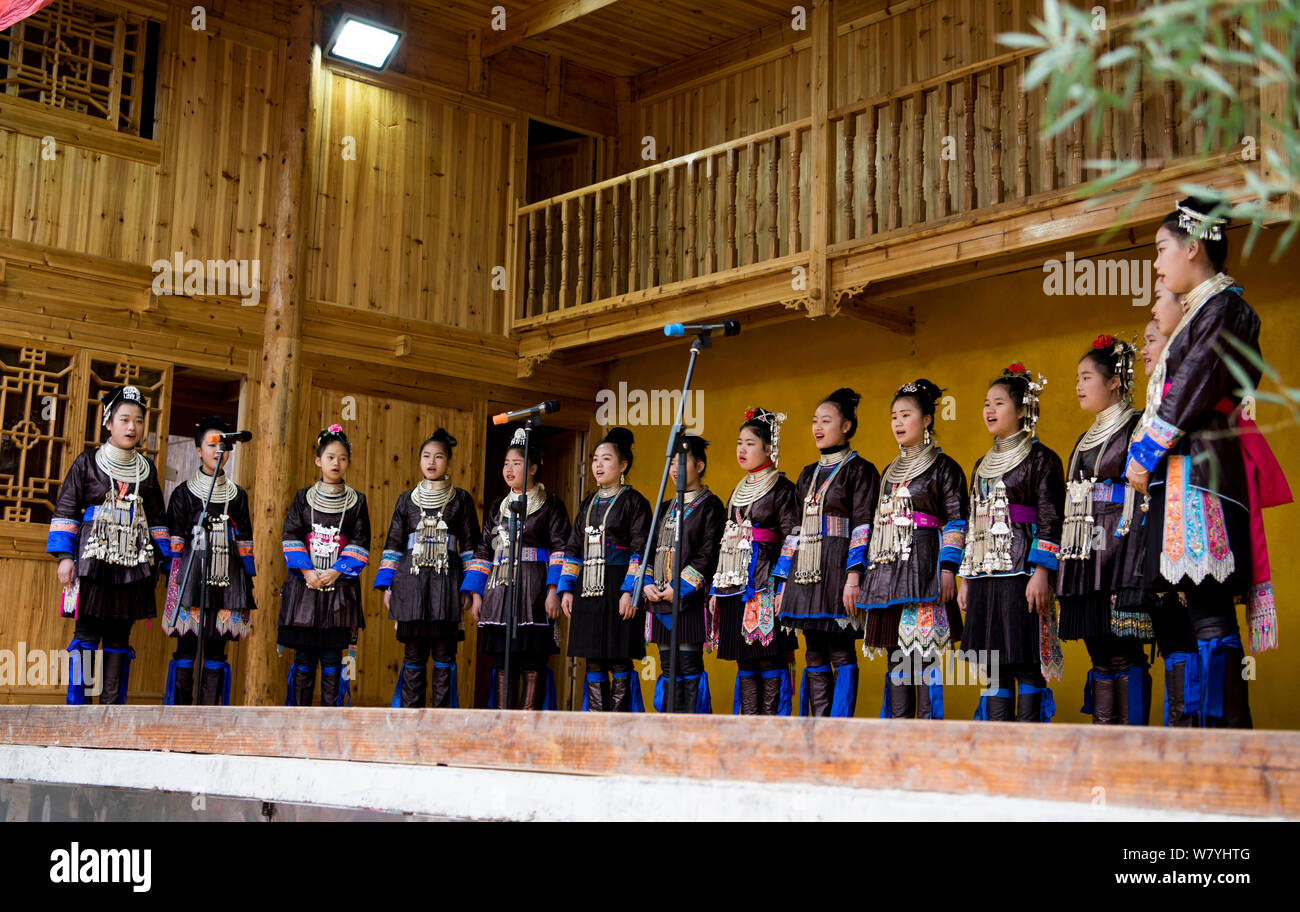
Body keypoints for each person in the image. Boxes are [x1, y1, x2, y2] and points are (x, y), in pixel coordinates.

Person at [1127, 197, 1289, 727]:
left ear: (1193, 247)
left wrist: (1146, 450)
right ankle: (1204, 737)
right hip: (1189, 472)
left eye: (1161, 249)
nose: (1156, 263)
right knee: (1200, 609)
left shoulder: (1226, 309)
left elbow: (1193, 384)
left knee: (1211, 609)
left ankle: (1226, 743)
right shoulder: (1204, 309)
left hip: (1203, 473)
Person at [48, 385, 172, 704]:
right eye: (124, 419)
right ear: (108, 423)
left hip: (132, 565)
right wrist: (65, 556)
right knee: (87, 634)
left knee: (119, 637)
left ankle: (111, 715)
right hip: (93, 563)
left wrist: (164, 562)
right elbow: (66, 508)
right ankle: (78, 713)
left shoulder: (146, 471)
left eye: (139, 421)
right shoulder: (87, 463)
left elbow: (157, 518)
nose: (132, 427)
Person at [958, 364, 1066, 722]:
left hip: (1022, 572)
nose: (989, 410)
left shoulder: (1042, 458)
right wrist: (965, 578)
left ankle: (1030, 747)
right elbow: (974, 523)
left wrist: (1041, 572)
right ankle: (998, 748)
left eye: (999, 403)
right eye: (986, 403)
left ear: (1022, 409)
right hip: (984, 573)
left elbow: (1051, 518)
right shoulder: (980, 465)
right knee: (993, 665)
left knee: (1026, 662)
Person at [859, 379, 967, 719]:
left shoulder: (944, 467)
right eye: (894, 416)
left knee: (923, 658)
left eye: (906, 415)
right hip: (888, 575)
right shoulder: (887, 473)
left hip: (924, 573)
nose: (898, 423)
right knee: (895, 660)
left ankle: (927, 741)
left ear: (927, 420)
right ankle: (897, 742)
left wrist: (947, 568)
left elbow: (956, 521)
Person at [1057, 337, 1149, 724]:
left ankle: (1133, 748)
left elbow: (1145, 490)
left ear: (1114, 382)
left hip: (1121, 547)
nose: (1079, 386)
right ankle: (1105, 741)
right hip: (1085, 552)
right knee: (1098, 651)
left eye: (1087, 377)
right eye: (1077, 378)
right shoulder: (1083, 439)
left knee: (1122, 650)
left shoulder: (1138, 424)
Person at [774, 388, 880, 717]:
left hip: (838, 571)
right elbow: (794, 530)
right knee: (814, 652)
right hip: (805, 571)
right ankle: (817, 730)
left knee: (841, 648)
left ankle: (841, 728)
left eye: (826, 420)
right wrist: (782, 582)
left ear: (846, 426)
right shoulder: (806, 474)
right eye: (815, 421)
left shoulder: (860, 470)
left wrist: (854, 577)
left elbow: (864, 525)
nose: (818, 427)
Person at [462, 431, 571, 710]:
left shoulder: (551, 505)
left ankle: (529, 726)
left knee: (532, 659)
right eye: (506, 463)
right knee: (502, 660)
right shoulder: (498, 507)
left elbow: (561, 548)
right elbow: (484, 550)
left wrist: (553, 592)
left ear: (533, 468)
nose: (509, 469)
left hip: (535, 590)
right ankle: (502, 726)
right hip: (499, 591)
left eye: (517, 463)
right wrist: (476, 595)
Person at [375, 429, 480, 708]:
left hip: (447, 585)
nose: (431, 462)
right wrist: (387, 586)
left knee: (445, 655)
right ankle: (410, 724)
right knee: (413, 654)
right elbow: (393, 546)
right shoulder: (406, 499)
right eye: (426, 456)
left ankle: (443, 725)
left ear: (449, 461)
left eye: (438, 456)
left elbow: (471, 549)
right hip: (410, 584)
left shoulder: (461, 500)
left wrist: (470, 587)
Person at [709, 407, 800, 715]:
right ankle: (749, 729)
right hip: (735, 583)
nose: (742, 449)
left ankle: (774, 730)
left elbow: (793, 537)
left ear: (768, 448)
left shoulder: (783, 489)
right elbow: (725, 541)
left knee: (768, 657)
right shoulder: (736, 492)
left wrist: (783, 584)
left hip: (765, 582)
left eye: (749, 443)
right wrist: (715, 590)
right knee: (744, 659)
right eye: (739, 442)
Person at [162, 417, 256, 705]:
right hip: (191, 576)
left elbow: (245, 540)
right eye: (211, 445)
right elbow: (175, 543)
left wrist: (247, 581)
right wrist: (173, 581)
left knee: (217, 647)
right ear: (198, 450)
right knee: (187, 645)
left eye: (223, 446)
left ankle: (210, 717)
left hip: (227, 577)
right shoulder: (183, 493)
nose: (218, 451)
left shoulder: (237, 495)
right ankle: (179, 715)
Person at [559, 427, 652, 712]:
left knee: (619, 658)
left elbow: (641, 551)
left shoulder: (635, 502)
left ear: (623, 465)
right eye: (595, 459)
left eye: (606, 459)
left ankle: (620, 726)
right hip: (587, 588)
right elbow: (574, 548)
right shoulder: (587, 503)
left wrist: (630, 592)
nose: (598, 465)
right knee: (593, 659)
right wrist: (566, 589)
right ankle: (597, 725)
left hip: (618, 587)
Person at [279, 425, 370, 706]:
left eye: (342, 458)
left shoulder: (357, 502)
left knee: (333, 658)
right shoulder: (301, 498)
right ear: (318, 460)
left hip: (339, 589)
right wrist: (308, 571)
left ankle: (331, 727)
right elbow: (291, 535)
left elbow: (361, 540)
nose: (336, 463)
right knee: (304, 657)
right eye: (330, 457)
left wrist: (336, 571)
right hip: (304, 587)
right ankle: (298, 723)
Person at [642, 434, 725, 713]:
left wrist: (680, 586)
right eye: (672, 463)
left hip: (688, 599)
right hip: (660, 598)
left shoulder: (711, 505)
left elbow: (708, 552)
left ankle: (692, 734)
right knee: (667, 667)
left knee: (689, 665)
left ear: (699, 466)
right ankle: (668, 734)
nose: (675, 469)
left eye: (682, 462)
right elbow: (650, 548)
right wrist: (648, 583)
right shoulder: (665, 507)